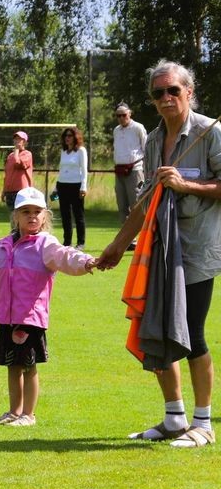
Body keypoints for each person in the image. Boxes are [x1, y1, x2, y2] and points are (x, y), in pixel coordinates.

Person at [98, 59, 221, 449]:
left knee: (193, 334)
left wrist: (186, 185)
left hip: (197, 249)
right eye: (158, 93)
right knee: (157, 328)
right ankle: (174, 418)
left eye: (173, 90)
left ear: (189, 92)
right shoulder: (152, 142)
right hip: (158, 248)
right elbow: (144, 202)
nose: (166, 98)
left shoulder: (210, 132)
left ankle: (204, 423)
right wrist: (117, 246)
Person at [0, 188, 97, 426]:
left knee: (29, 367)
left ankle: (29, 414)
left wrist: (86, 261)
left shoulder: (45, 244)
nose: (32, 216)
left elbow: (65, 256)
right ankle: (14, 412)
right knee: (12, 366)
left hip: (30, 318)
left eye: (37, 212)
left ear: (45, 217)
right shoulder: (3, 246)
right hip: (7, 317)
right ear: (15, 215)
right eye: (26, 211)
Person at [112, 103, 147, 231]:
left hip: (135, 169)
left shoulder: (138, 127)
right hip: (119, 170)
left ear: (130, 114)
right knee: (122, 205)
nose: (121, 118)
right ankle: (127, 239)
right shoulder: (116, 130)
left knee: (136, 204)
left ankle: (142, 235)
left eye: (124, 115)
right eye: (118, 116)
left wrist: (146, 169)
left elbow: (146, 148)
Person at [56, 127, 89, 249]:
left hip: (76, 185)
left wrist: (83, 187)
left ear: (75, 137)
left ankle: (81, 242)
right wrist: (56, 187)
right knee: (65, 215)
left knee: (78, 215)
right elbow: (61, 170)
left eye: (70, 135)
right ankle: (67, 241)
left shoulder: (81, 151)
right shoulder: (63, 151)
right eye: (66, 136)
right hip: (62, 185)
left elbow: (84, 170)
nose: (67, 138)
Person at [0, 130, 34, 209]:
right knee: (13, 217)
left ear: (24, 142)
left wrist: (16, 151)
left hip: (22, 191)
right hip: (10, 191)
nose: (16, 141)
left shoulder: (27, 154)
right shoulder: (10, 156)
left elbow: (18, 164)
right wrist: (4, 190)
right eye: (15, 139)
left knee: (21, 216)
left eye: (19, 139)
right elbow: (7, 174)